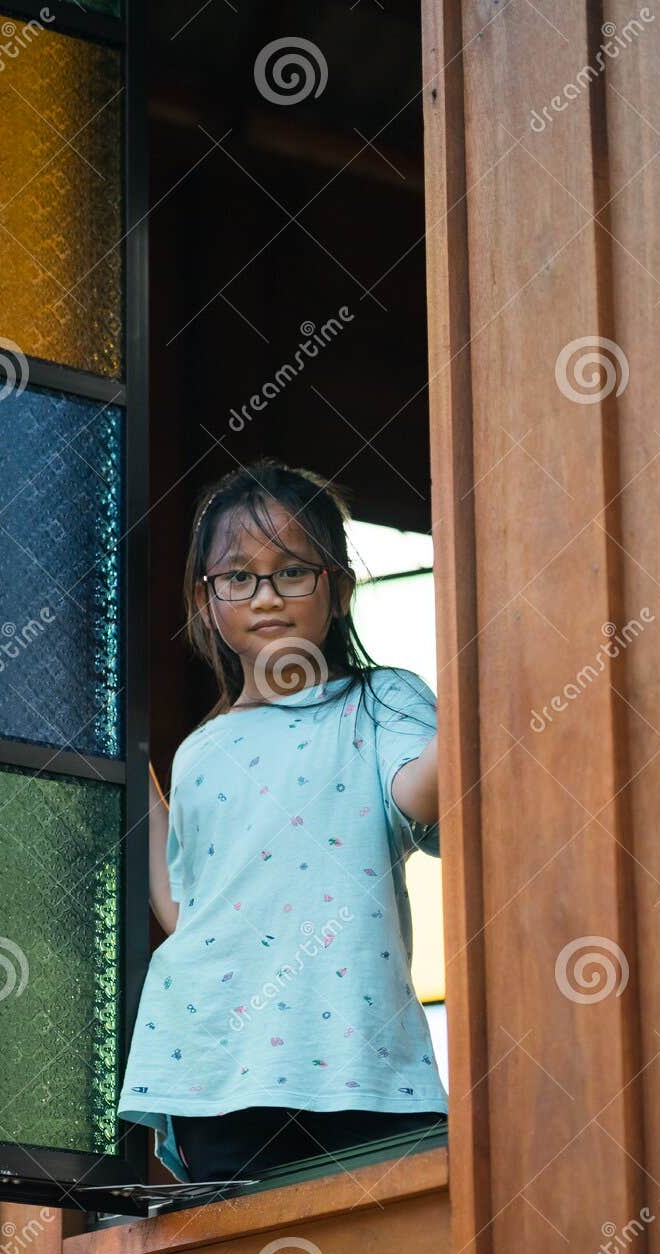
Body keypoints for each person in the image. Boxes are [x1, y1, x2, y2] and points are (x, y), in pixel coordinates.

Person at [116, 458, 449, 1185]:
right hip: (212, 1061)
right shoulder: (200, 752)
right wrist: (126, 768)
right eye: (237, 577)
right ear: (206, 603)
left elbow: (420, 796)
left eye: (292, 571)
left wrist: (481, 677)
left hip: (359, 1055)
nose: (265, 595)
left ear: (338, 588)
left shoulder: (381, 700)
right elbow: (186, 910)